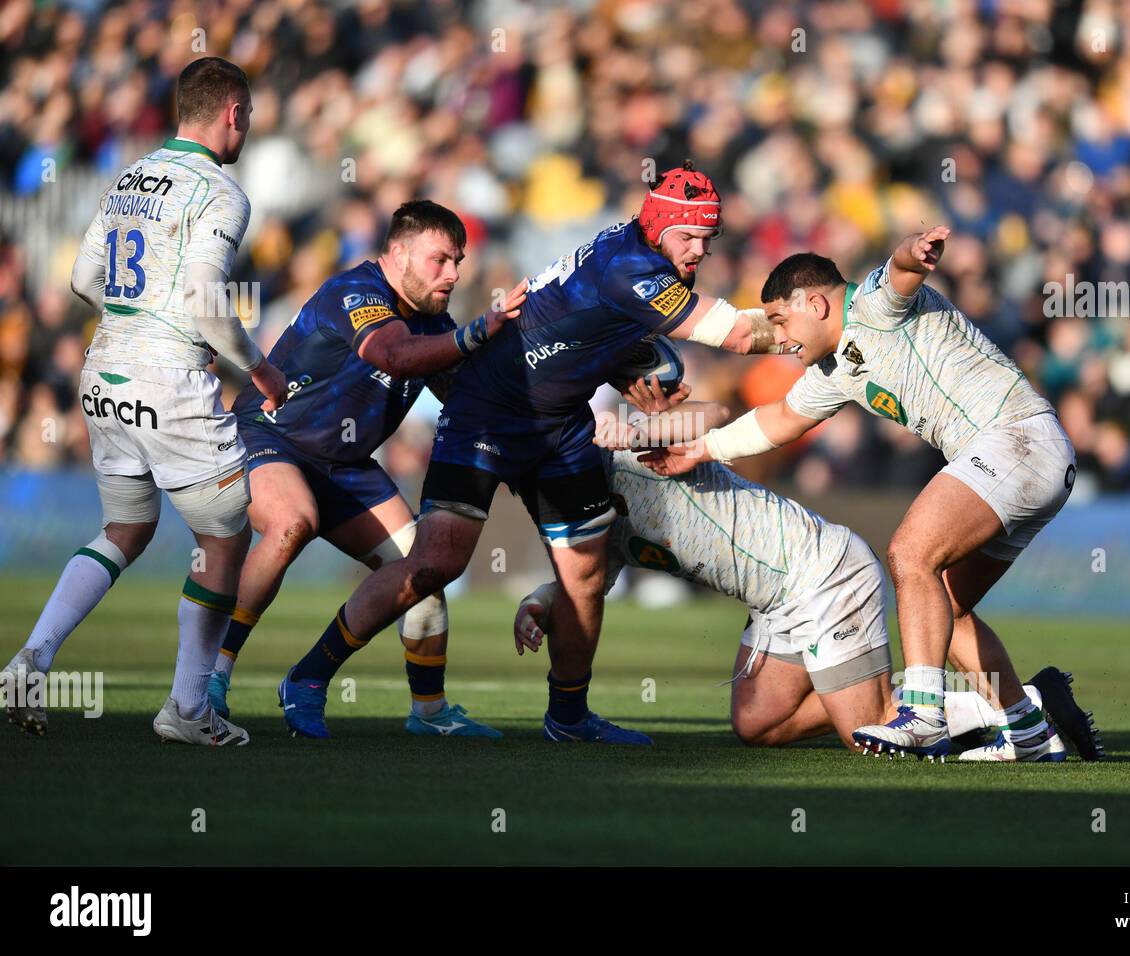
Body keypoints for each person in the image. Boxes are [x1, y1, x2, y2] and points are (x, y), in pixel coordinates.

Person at [280, 163, 782, 742]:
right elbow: (743, 336)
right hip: (488, 411)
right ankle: (309, 677)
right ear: (661, 224)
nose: (698, 250)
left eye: (707, 239)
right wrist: (831, 322)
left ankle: (568, 717)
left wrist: (621, 370)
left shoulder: (639, 256)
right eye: (688, 236)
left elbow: (585, 328)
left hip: (560, 423)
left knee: (585, 574)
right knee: (436, 563)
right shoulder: (631, 269)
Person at [645, 228, 1080, 761]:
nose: (778, 338)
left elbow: (898, 276)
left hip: (1015, 438)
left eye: (781, 320)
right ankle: (1030, 729)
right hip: (1036, 460)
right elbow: (781, 419)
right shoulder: (833, 371)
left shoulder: (872, 305)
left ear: (816, 302)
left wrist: (912, 254)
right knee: (946, 601)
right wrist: (703, 449)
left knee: (909, 554)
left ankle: (921, 713)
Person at [565, 367, 1101, 758]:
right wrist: (543, 602)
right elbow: (584, 583)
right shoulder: (592, 521)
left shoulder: (628, 456)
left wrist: (641, 428)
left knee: (866, 730)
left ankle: (1020, 709)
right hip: (777, 601)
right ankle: (1007, 702)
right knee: (759, 725)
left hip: (819, 573)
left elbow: (716, 413)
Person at [2, 57, 287, 745]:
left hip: (105, 371)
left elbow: (80, 277)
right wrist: (259, 370)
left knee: (125, 530)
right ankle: (188, 709)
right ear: (232, 114)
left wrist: (139, 321)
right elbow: (204, 300)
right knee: (225, 538)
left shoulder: (129, 176)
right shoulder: (219, 190)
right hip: (169, 381)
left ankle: (28, 661)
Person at [209, 200, 524, 738]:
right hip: (272, 436)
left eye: (458, 261)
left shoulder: (434, 322)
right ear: (397, 253)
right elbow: (394, 356)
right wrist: (478, 332)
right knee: (291, 522)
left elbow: (465, 398)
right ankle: (210, 675)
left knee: (424, 570)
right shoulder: (354, 293)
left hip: (345, 465)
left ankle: (419, 708)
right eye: (439, 260)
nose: (452, 274)